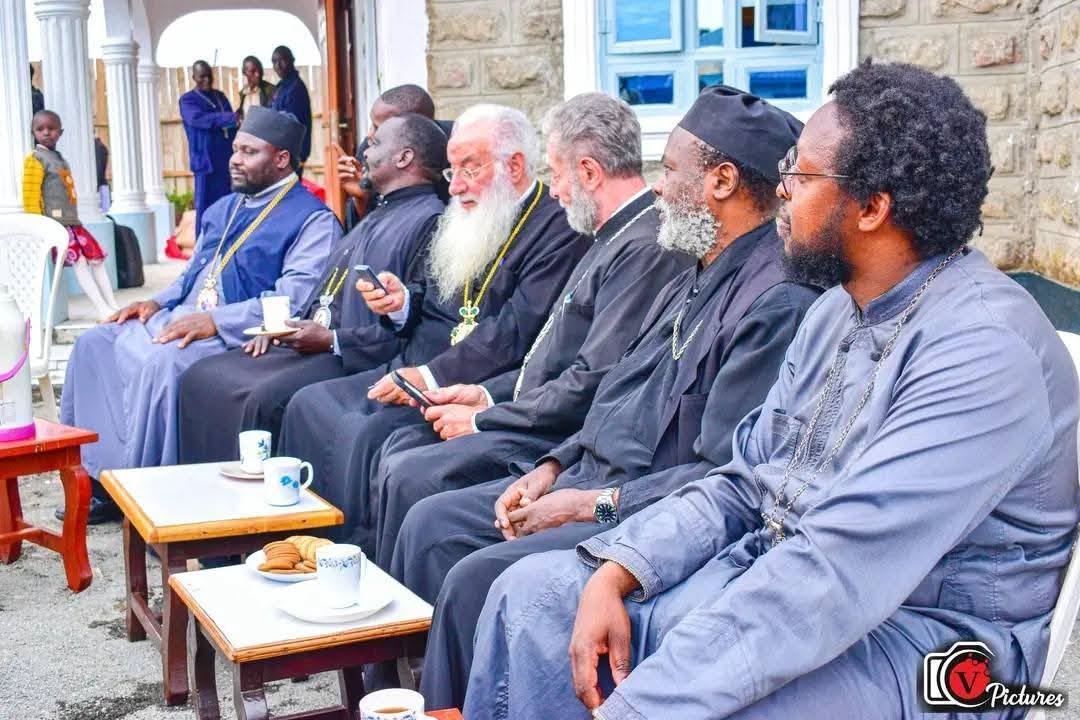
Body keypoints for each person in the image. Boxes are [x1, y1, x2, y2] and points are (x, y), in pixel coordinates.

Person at [467, 62, 1080, 720]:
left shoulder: (982, 351)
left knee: (704, 691)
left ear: (873, 207)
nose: (781, 191)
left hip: (931, 641)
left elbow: (839, 570)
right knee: (532, 594)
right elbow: (744, 481)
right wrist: (621, 565)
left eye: (801, 175)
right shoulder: (835, 310)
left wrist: (644, 703)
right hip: (782, 569)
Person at [390, 85, 820, 710]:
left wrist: (581, 505)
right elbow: (614, 388)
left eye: (670, 171)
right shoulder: (698, 267)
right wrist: (550, 467)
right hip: (586, 474)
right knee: (433, 521)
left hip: (637, 511)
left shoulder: (774, 301)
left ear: (722, 180)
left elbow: (719, 475)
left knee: (472, 577)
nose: (660, 189)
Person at [367, 92, 694, 569]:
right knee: (401, 447)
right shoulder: (611, 235)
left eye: (557, 174)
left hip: (562, 436)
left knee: (416, 478)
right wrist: (483, 395)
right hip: (540, 417)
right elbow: (552, 356)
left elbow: (591, 378)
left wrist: (485, 417)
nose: (555, 190)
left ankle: (410, 637)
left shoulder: (643, 249)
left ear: (587, 172)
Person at [277, 104, 588, 546]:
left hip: (468, 380)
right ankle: (302, 543)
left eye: (469, 168)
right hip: (421, 360)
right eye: (451, 171)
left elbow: (516, 331)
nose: (456, 184)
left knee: (364, 433)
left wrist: (428, 376)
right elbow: (431, 290)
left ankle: (352, 554)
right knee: (309, 404)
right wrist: (401, 301)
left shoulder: (556, 230)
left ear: (515, 166)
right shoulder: (464, 211)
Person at [58, 107, 342, 524]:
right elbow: (194, 275)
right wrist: (155, 302)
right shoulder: (224, 209)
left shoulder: (312, 219)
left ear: (281, 159)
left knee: (163, 361)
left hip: (239, 333)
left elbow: (295, 297)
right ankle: (100, 482)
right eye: (236, 149)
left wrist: (216, 321)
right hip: (184, 315)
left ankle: (148, 494)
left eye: (249, 151)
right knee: (93, 344)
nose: (235, 159)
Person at [177, 113, 449, 463]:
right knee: (201, 376)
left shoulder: (428, 219)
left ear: (404, 158)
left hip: (352, 354)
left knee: (260, 397)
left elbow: (408, 324)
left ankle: (254, 508)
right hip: (313, 343)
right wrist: (280, 328)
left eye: (376, 143)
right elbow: (330, 288)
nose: (364, 151)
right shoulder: (381, 210)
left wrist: (332, 340)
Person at [23, 110, 119, 320]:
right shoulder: (35, 159)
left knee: (97, 260)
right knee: (80, 263)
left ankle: (113, 305)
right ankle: (102, 309)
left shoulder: (58, 158)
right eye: (40, 129)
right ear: (33, 132)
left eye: (51, 128)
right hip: (56, 225)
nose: (46, 133)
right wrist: (37, 226)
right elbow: (31, 195)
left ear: (61, 132)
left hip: (73, 223)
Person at [338, 84, 453, 224]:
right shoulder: (371, 150)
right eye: (372, 125)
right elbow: (363, 233)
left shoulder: (457, 147)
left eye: (378, 128)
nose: (370, 135)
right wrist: (362, 199)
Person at [179, 60, 238, 232]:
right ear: (194, 78)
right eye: (202, 77)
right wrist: (227, 119)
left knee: (228, 206)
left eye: (209, 76)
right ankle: (202, 248)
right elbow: (199, 119)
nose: (206, 80)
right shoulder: (187, 100)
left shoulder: (220, 96)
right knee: (205, 208)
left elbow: (232, 121)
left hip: (225, 160)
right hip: (205, 163)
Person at [270, 46, 313, 176]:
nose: (278, 65)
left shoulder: (295, 89)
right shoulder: (282, 87)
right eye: (274, 62)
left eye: (281, 60)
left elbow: (290, 124)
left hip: (292, 153)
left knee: (288, 192)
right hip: (283, 152)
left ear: (292, 60)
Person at [94, 136, 110, 213]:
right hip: (100, 186)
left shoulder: (98, 147)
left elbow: (99, 169)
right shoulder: (99, 146)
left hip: (99, 187)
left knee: (103, 213)